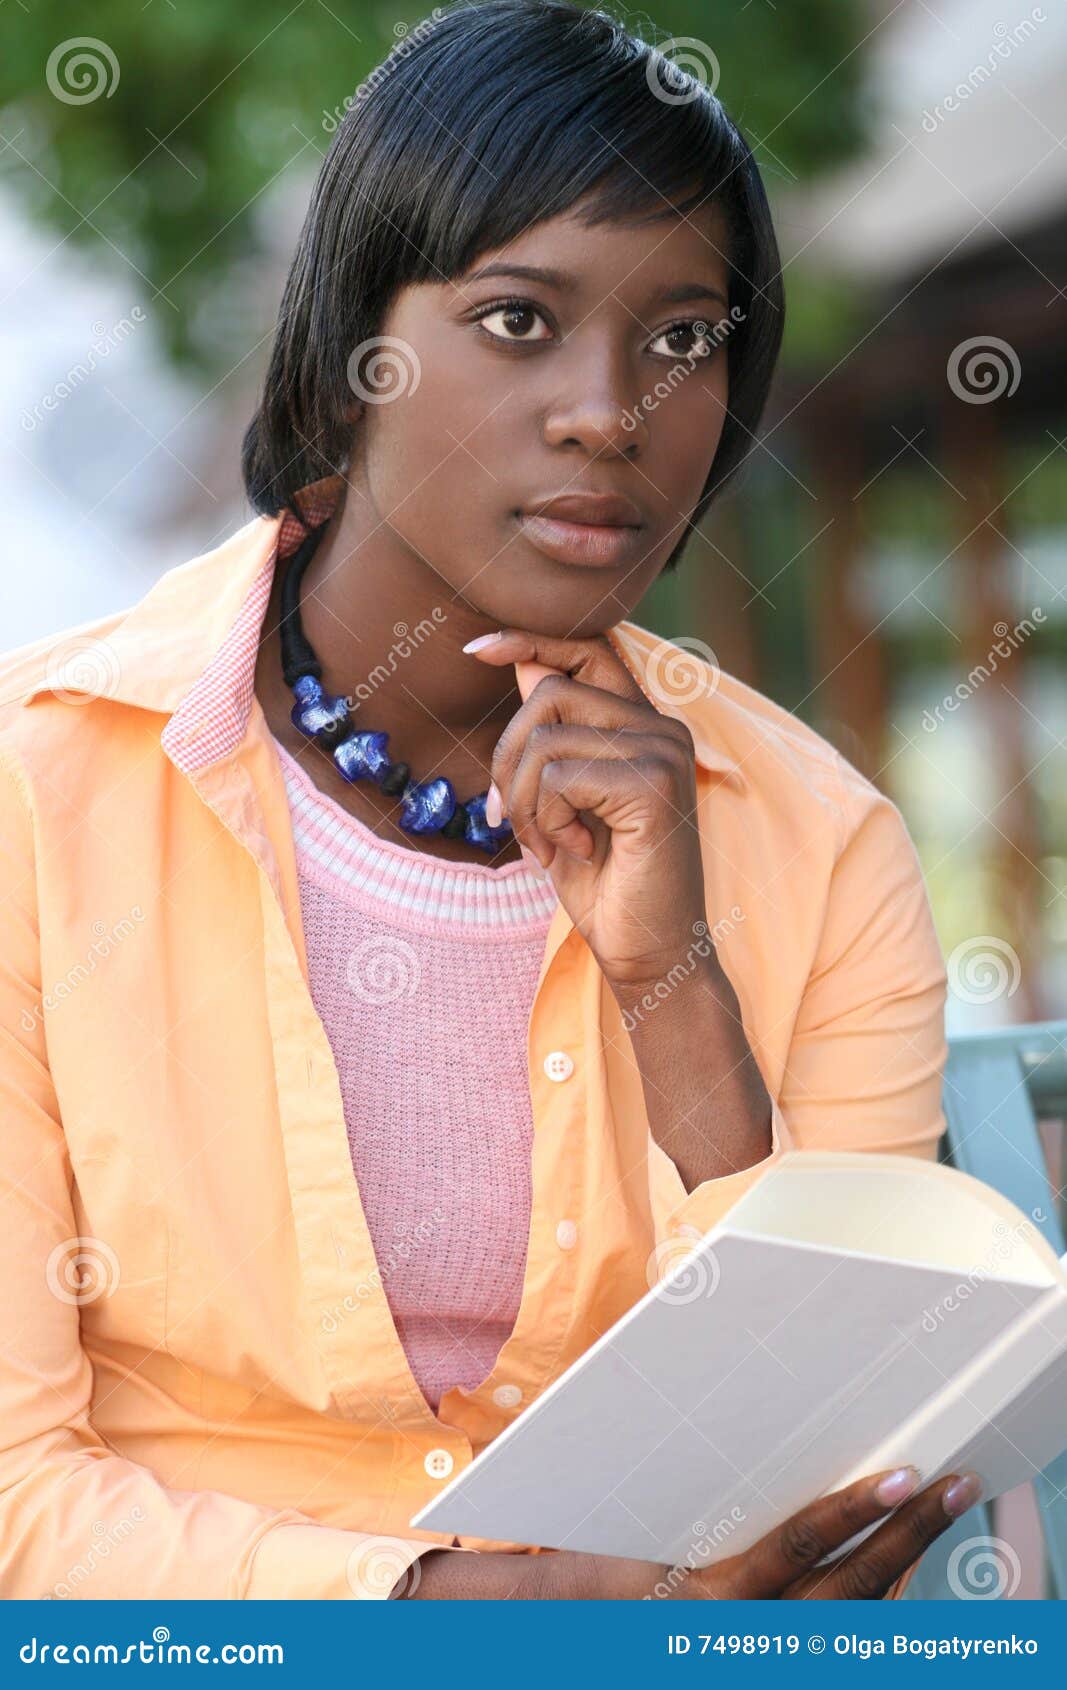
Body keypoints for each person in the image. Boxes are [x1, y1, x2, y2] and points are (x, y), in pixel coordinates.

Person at [0, 0, 975, 1601]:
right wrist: (511, 1611)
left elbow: (847, 1465)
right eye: (521, 319)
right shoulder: (40, 796)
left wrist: (676, 992)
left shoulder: (820, 840)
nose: (613, 409)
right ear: (352, 353)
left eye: (684, 337)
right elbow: (17, 1500)